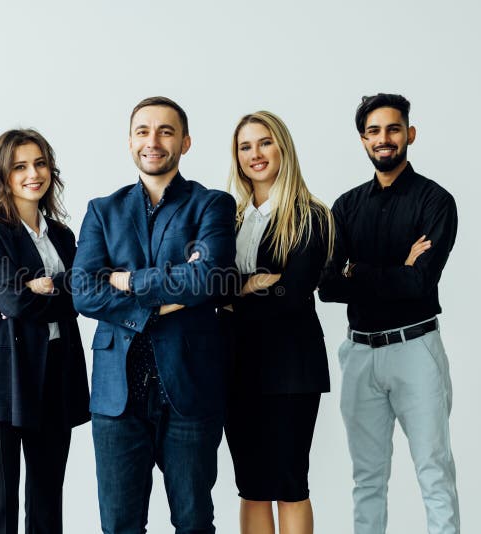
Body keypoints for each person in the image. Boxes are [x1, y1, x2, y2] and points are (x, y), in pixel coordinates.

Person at [72, 96, 237, 534]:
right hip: (116, 394)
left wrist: (127, 281)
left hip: (189, 387)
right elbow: (84, 291)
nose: (154, 141)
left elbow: (207, 278)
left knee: (193, 521)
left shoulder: (212, 204)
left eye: (166, 131)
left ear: (185, 142)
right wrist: (166, 296)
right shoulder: (102, 210)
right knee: (120, 525)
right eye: (143, 131)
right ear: (130, 142)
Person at [318, 93, 460, 534]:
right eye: (374, 131)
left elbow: (420, 283)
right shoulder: (344, 207)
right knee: (367, 479)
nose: (385, 139)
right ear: (363, 140)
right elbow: (328, 286)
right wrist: (398, 267)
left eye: (393, 129)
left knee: (433, 472)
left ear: (409, 134)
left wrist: (355, 269)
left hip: (415, 348)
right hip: (359, 355)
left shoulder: (436, 202)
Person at [0, 129, 90, 534]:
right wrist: (49, 288)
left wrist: (38, 286)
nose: (33, 174)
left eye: (39, 163)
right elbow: (12, 302)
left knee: (46, 502)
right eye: (20, 166)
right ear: (3, 174)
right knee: (0, 508)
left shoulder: (62, 234)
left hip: (56, 373)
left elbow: (83, 298)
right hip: (5, 377)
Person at [223, 111, 333, 534]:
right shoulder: (227, 217)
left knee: (289, 484)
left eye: (264, 142)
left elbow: (292, 293)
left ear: (282, 147)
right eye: (245, 146)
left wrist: (236, 295)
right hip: (236, 369)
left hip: (292, 369)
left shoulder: (312, 216)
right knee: (250, 486)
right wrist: (251, 286)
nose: (255, 154)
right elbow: (212, 287)